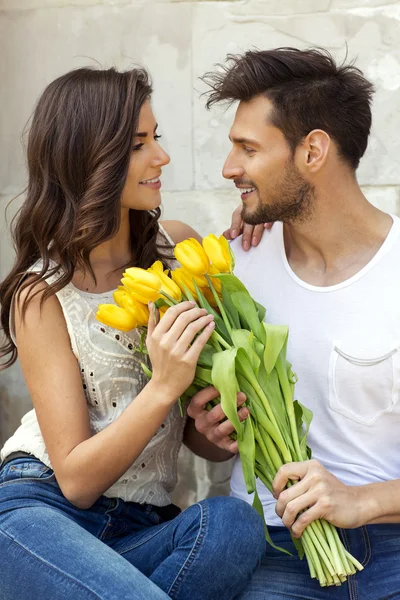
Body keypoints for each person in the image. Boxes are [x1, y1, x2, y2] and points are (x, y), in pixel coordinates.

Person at [0, 66, 266, 600]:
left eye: (156, 137)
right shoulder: (41, 294)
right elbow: (75, 481)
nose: (161, 157)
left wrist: (211, 429)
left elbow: (191, 437)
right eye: (139, 144)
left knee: (236, 527)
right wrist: (164, 385)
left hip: (144, 529)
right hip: (43, 512)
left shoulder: (179, 251)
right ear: (90, 158)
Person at [187, 47, 400, 599]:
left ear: (313, 151)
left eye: (248, 149)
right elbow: (206, 443)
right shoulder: (235, 268)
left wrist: (362, 500)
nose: (229, 168)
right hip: (270, 547)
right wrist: (209, 432)